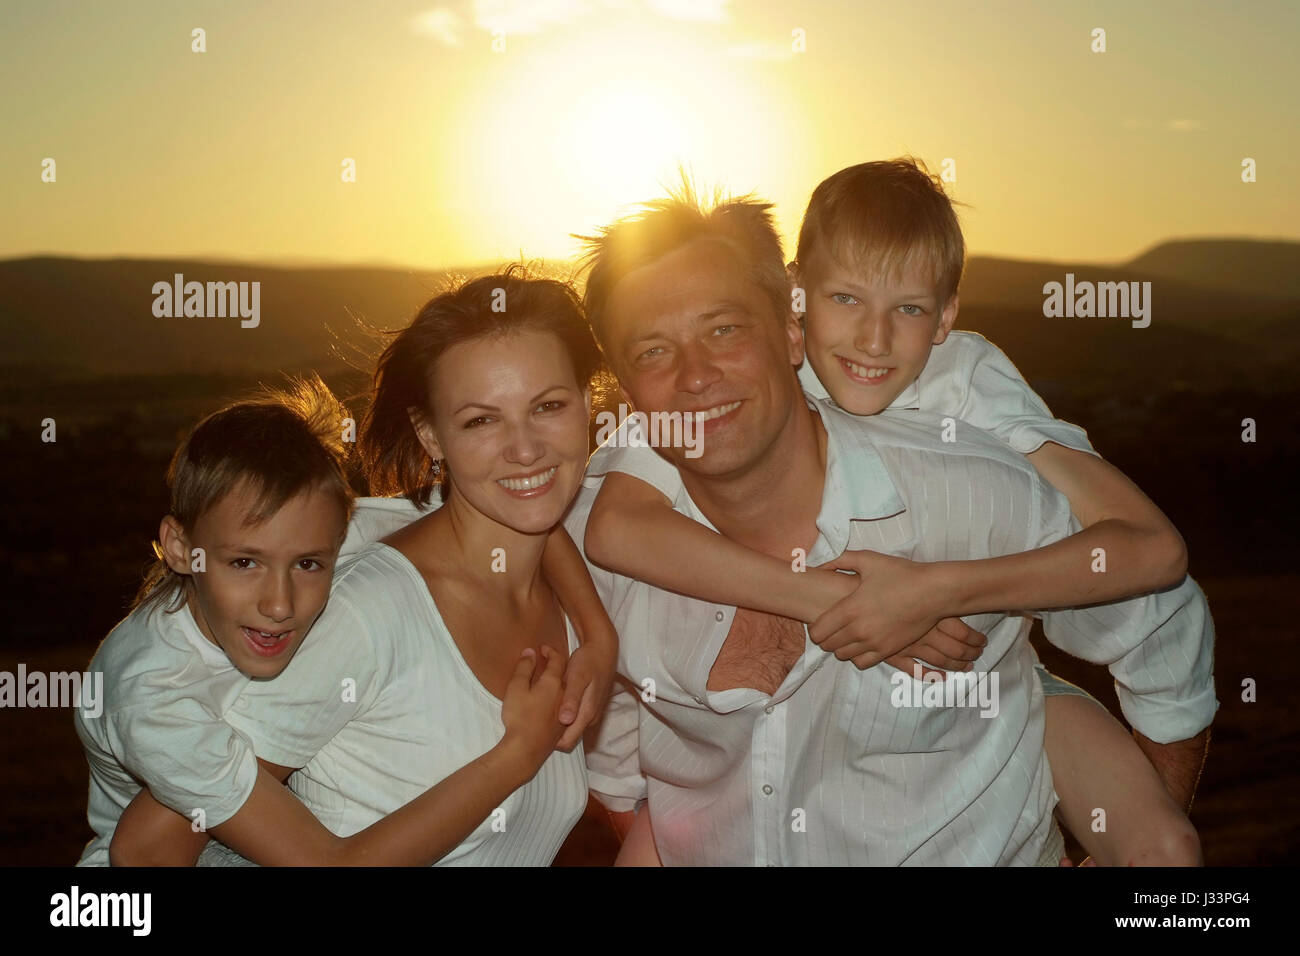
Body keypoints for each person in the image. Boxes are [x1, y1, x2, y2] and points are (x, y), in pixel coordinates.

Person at [581, 162, 1214, 865]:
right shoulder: (664, 441)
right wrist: (836, 599)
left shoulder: (968, 414)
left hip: (1008, 689)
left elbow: (1154, 573)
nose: (874, 341)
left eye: (725, 329)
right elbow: (613, 535)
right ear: (801, 299)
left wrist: (939, 590)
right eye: (654, 351)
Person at [108, 268, 619, 866]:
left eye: (549, 406)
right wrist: (517, 755)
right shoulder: (364, 614)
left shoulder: (569, 590)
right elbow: (148, 845)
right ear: (431, 436)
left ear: (588, 403)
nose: (525, 448)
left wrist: (600, 634)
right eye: (481, 420)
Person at [75, 376, 355, 865]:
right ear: (181, 549)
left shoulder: (314, 524)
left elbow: (426, 522)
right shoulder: (153, 698)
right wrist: (501, 763)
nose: (280, 605)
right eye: (244, 562)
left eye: (308, 563)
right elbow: (327, 862)